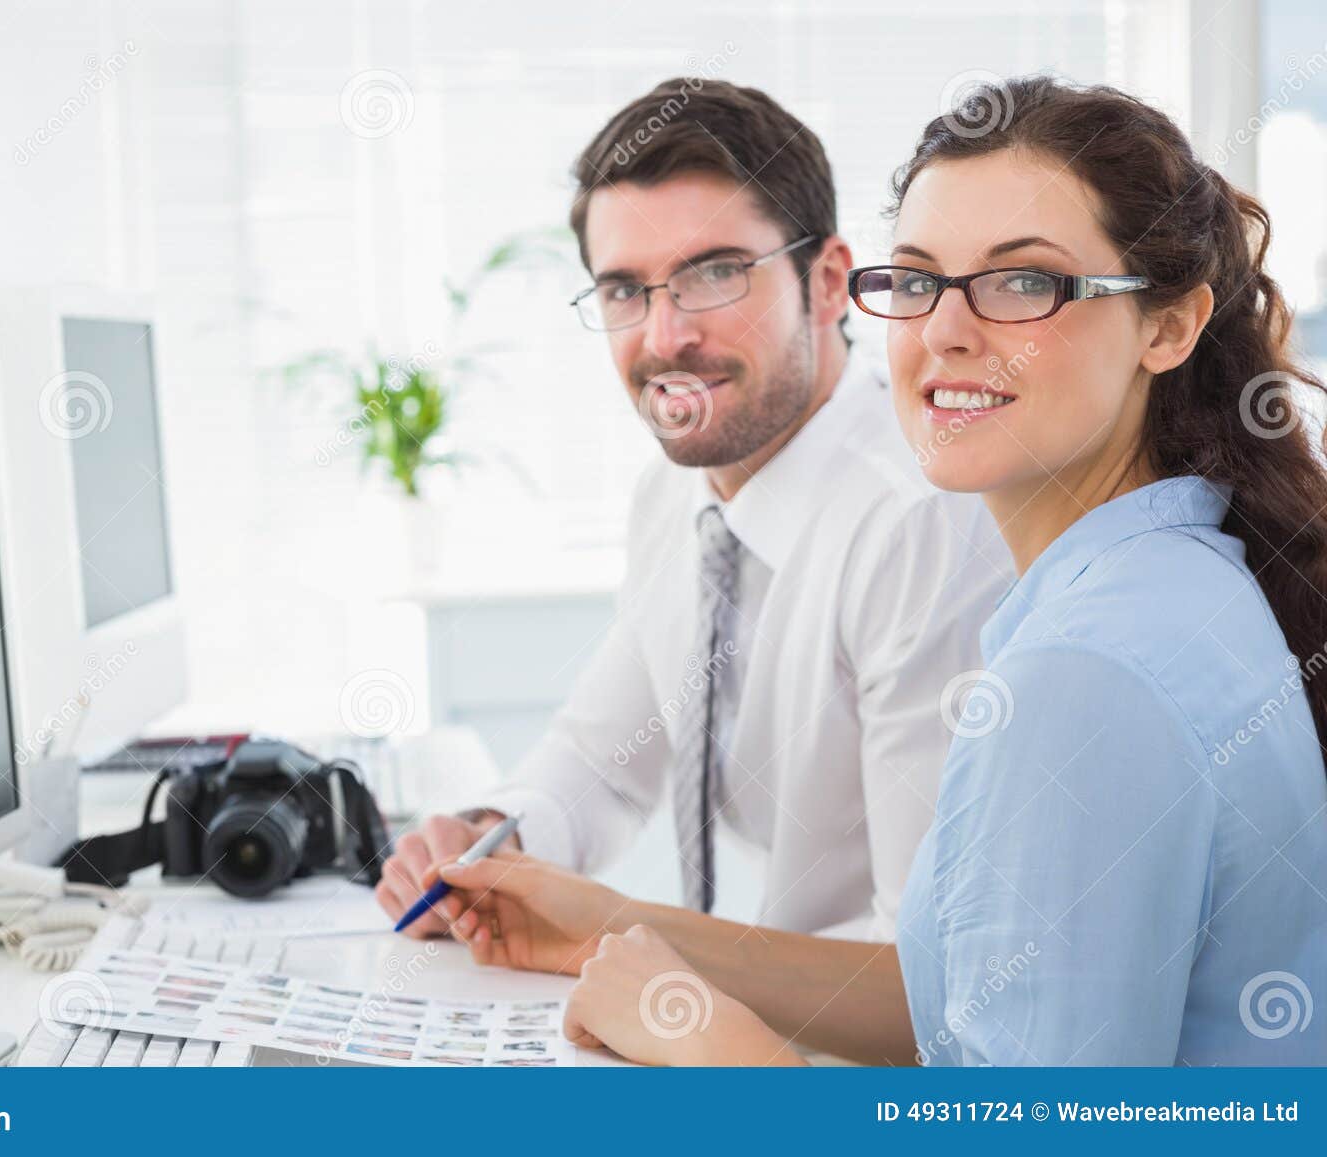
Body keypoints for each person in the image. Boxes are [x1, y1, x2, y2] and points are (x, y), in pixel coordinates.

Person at [429, 76, 1327, 1066]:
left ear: (1166, 325)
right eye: (918, 281)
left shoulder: (1083, 671)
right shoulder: (1160, 582)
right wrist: (608, 924)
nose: (944, 329)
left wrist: (713, 1046)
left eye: (1022, 281)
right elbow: (963, 996)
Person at [375, 79, 1007, 942]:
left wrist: (647, 961)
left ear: (826, 284)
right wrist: (489, 837)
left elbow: (930, 965)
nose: (665, 337)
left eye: (714, 273)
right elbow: (604, 761)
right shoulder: (677, 497)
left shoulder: (919, 523)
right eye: (625, 290)